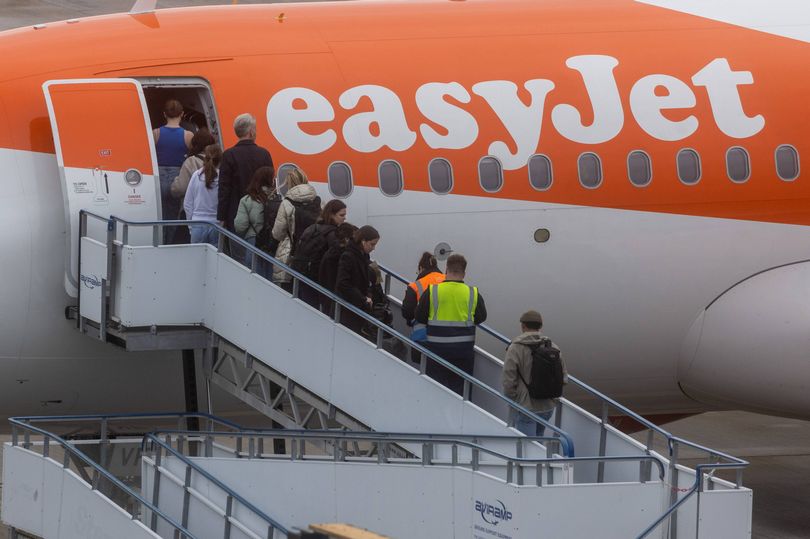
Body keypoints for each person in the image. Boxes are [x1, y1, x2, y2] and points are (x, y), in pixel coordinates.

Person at [414, 253, 486, 395]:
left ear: (446, 270)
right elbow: (481, 317)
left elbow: (420, 316)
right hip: (463, 352)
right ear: (464, 273)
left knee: (435, 389)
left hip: (436, 350)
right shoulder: (473, 293)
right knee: (460, 393)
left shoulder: (433, 291)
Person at [502, 310, 568, 437]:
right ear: (540, 326)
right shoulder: (552, 346)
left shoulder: (515, 347)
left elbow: (508, 378)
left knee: (526, 446)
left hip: (526, 405)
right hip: (548, 405)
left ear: (523, 326)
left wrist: (513, 398)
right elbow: (563, 377)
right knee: (538, 442)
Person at [217, 113, 274, 250]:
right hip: (260, 216)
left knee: (238, 261)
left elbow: (224, 189)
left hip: (235, 215)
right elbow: (270, 186)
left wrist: (222, 217)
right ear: (251, 131)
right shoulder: (264, 154)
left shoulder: (229, 155)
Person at [291, 199, 347, 308]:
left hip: (302, 273)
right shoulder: (333, 234)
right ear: (331, 215)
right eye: (341, 215)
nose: (344, 218)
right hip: (318, 278)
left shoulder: (312, 228)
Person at [271, 168, 320, 289]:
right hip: (313, 253)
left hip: (292, 254)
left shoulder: (287, 203)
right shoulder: (317, 201)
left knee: (289, 291)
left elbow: (277, 233)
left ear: (290, 183)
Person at [154, 99, 193, 243]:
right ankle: (170, 243)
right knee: (175, 215)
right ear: (182, 114)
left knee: (160, 213)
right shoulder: (188, 135)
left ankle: (159, 241)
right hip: (177, 177)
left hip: (159, 177)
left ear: (164, 114)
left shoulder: (156, 133)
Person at [335, 225, 380, 335]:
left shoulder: (363, 256)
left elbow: (367, 281)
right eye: (372, 244)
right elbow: (343, 283)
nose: (373, 248)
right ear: (363, 241)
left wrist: (368, 295)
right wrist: (363, 298)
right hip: (349, 309)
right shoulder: (348, 256)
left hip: (357, 306)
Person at [234, 166, 276, 278]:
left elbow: (240, 226)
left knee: (253, 277)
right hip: (272, 243)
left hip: (253, 240)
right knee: (269, 278)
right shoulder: (277, 199)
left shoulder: (247, 200)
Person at [183, 144, 222, 246]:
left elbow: (188, 203)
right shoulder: (222, 177)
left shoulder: (197, 175)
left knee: (196, 259)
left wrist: (190, 225)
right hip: (216, 224)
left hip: (197, 223)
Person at [402, 252, 445, 343]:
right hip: (447, 335)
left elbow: (407, 312)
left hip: (423, 336)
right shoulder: (447, 280)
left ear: (421, 268)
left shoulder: (415, 286)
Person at [319, 222, 357, 315]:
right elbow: (335, 280)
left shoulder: (333, 252)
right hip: (333, 298)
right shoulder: (338, 256)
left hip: (329, 296)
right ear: (347, 239)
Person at [171, 128, 215, 202]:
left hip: (195, 207)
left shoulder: (191, 161)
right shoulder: (219, 161)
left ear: (194, 145)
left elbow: (180, 189)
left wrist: (175, 181)